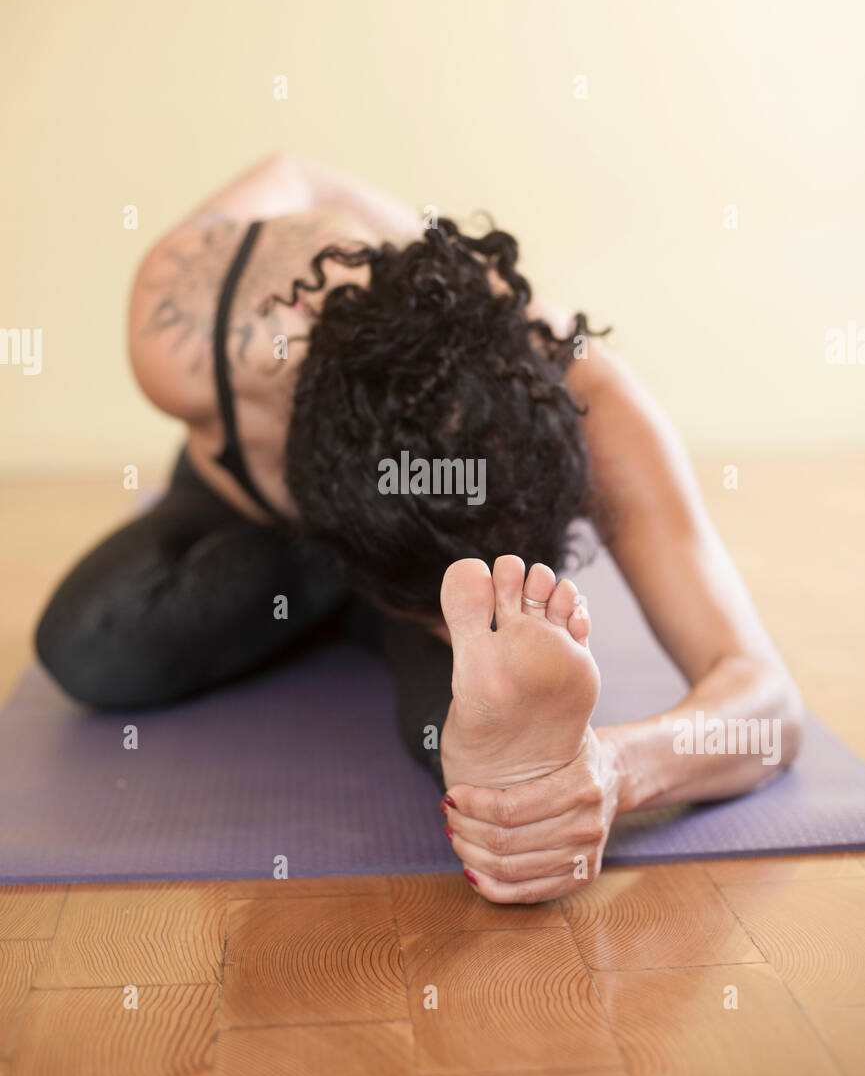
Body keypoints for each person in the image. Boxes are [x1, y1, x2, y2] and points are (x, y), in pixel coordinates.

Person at [35, 153, 804, 903]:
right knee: (90, 645)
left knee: (464, 739)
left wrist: (608, 771)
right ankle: (384, 605)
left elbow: (763, 698)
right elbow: (294, 170)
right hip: (259, 525)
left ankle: (474, 667)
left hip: (429, 573)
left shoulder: (588, 392)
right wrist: (392, 233)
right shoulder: (192, 331)